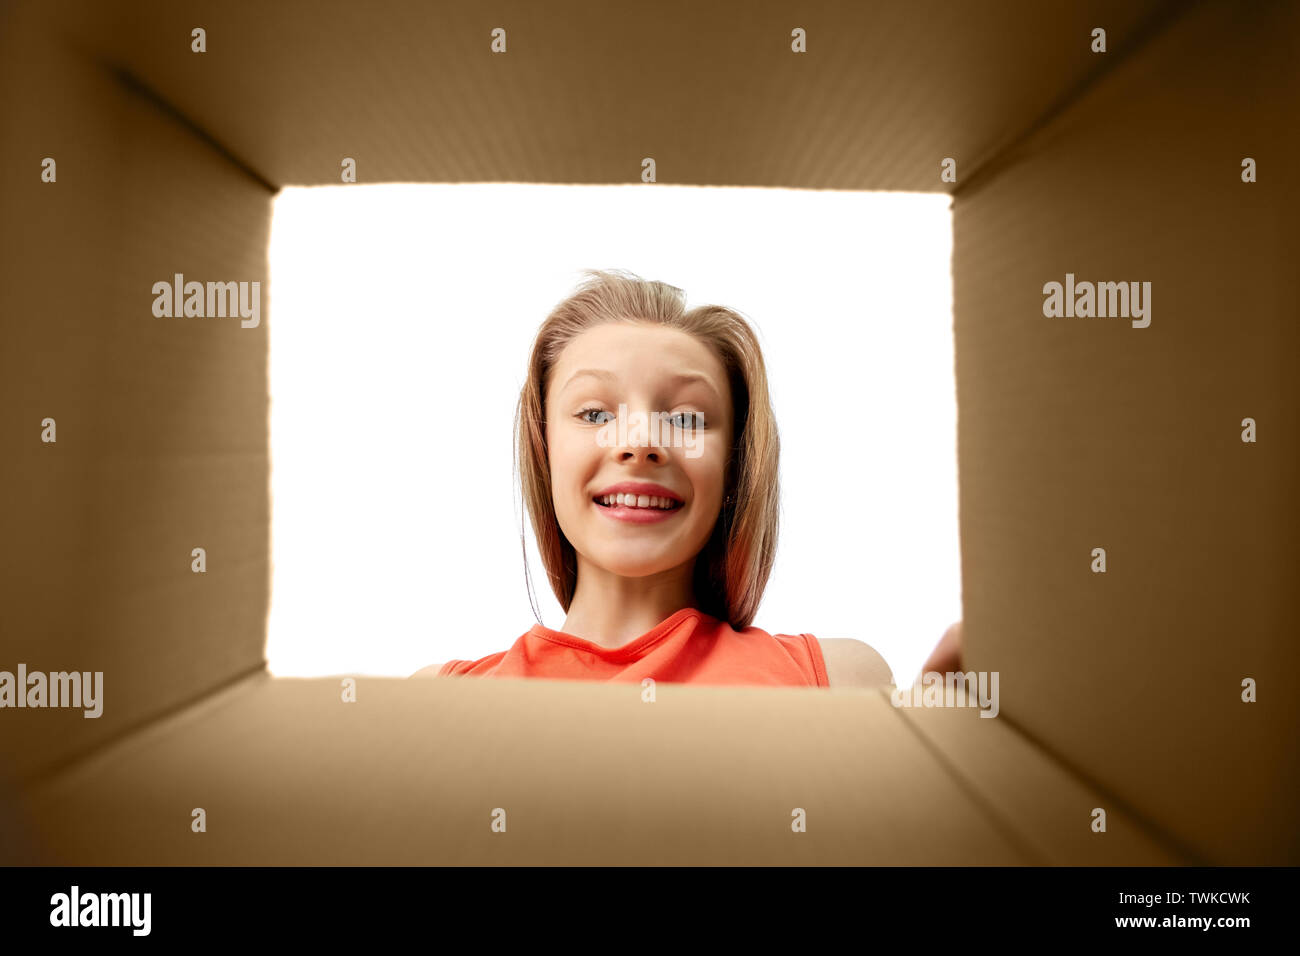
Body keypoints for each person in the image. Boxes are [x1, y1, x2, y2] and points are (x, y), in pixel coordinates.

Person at [411, 269, 959, 688]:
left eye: (687, 418)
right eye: (595, 414)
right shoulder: (435, 701)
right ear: (543, 449)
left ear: (734, 464)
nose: (641, 441)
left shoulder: (839, 681)